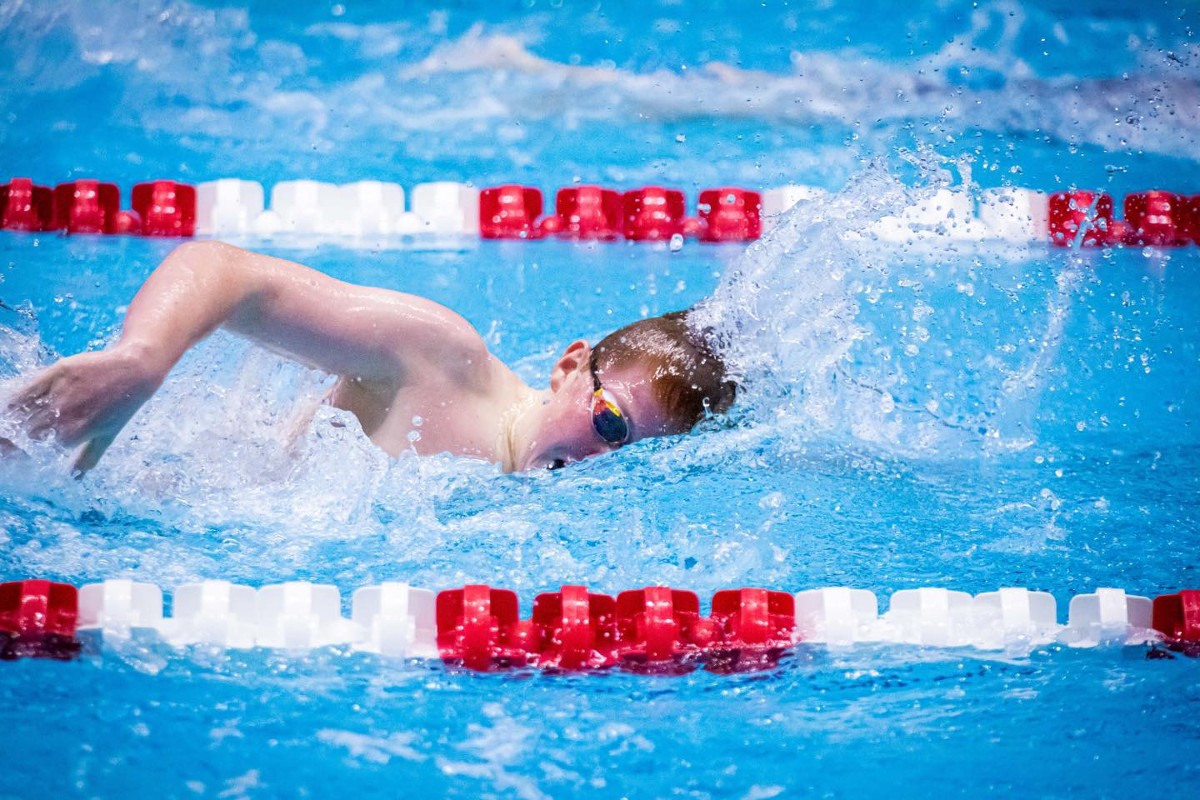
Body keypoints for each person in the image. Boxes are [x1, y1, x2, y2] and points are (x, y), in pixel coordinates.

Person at [5, 241, 736, 474]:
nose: (609, 463)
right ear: (570, 366)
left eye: (640, 457)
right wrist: (142, 360)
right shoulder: (440, 361)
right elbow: (230, 274)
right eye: (611, 424)